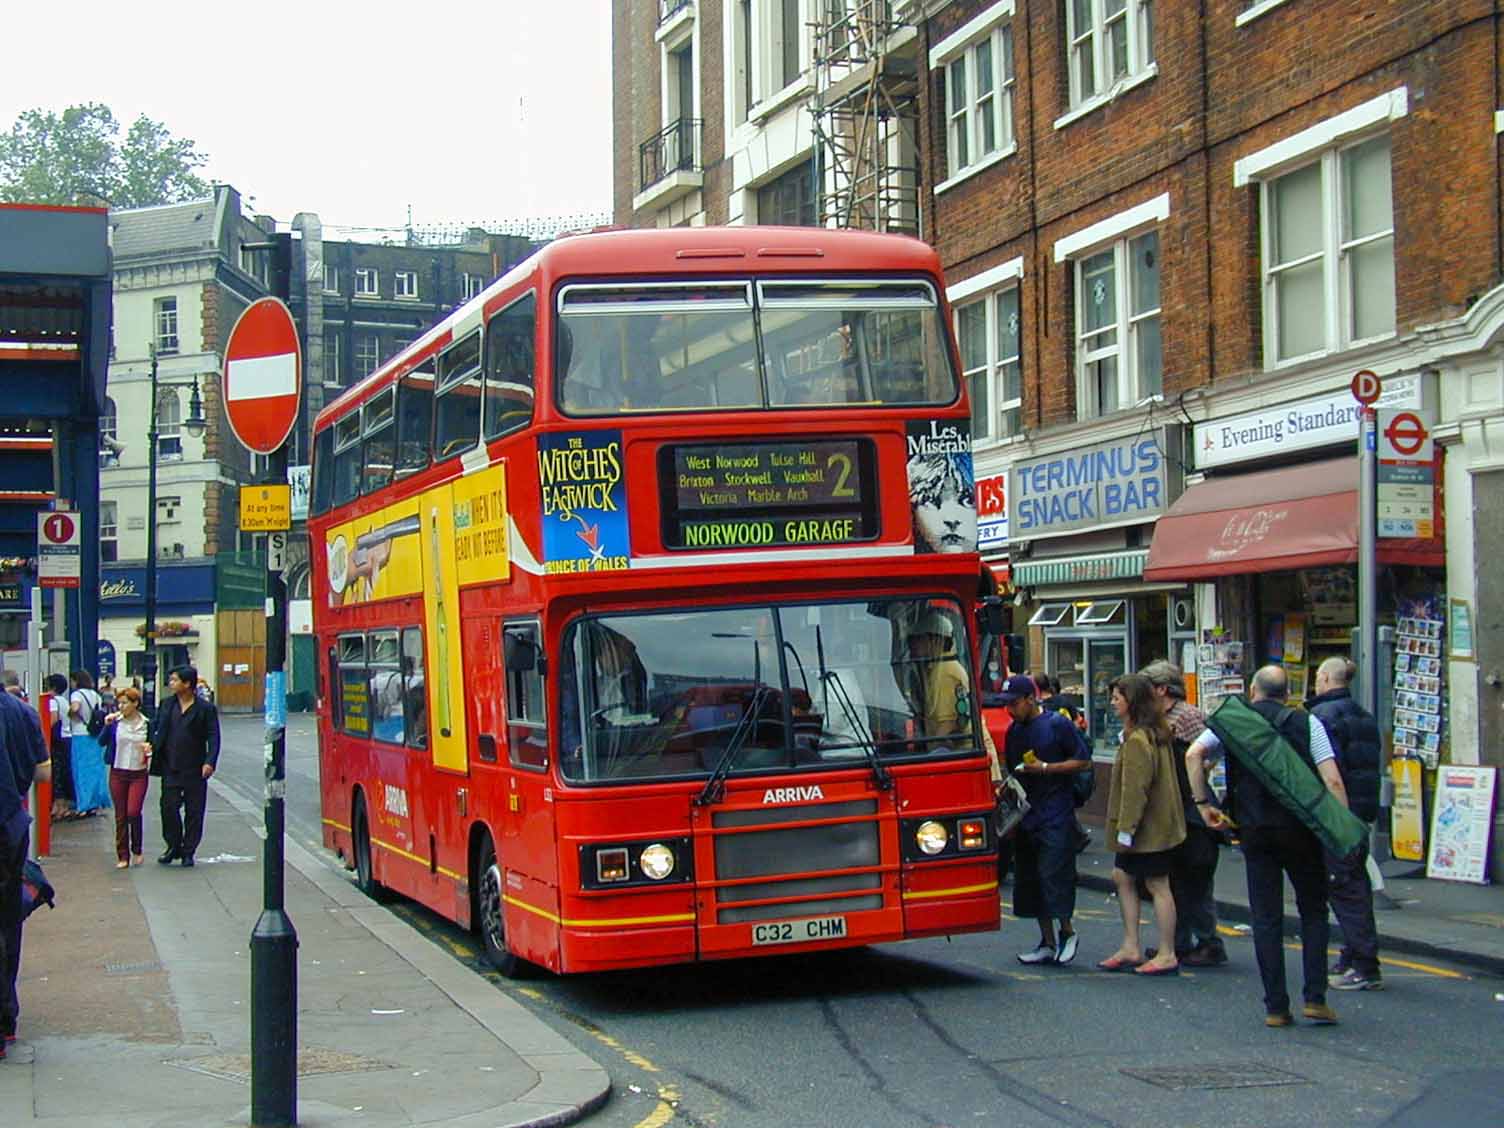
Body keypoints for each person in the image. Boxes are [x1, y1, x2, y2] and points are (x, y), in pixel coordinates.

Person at [1186, 665, 1349, 1027]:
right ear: (1287, 692)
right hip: (1302, 830)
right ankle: (1315, 998)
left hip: (1255, 829)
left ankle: (1276, 1006)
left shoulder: (1234, 722)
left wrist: (1204, 805)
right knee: (1313, 911)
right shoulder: (1309, 724)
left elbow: (1193, 755)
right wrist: (1343, 830)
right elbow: (1332, 780)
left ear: (1253, 690)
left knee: (1266, 915)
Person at [1141, 660, 1228, 967]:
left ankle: (1208, 941)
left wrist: (1200, 779)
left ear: (1162, 689)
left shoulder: (1188, 716)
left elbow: (1208, 751)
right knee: (1175, 876)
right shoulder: (1155, 717)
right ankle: (1177, 943)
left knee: (1195, 876)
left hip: (1192, 806)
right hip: (1170, 806)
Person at [999, 674, 1090, 965]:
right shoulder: (1014, 730)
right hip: (1027, 814)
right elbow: (1014, 768)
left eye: (1014, 703)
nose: (1010, 710)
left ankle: (1067, 932)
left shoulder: (1056, 724)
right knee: (1031, 878)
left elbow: (1083, 760)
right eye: (1006, 705)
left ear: (1030, 699)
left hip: (1055, 811)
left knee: (1055, 875)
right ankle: (1047, 941)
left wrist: (1047, 767)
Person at [1099, 674, 1186, 976]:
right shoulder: (1152, 733)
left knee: (1157, 884)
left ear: (1132, 702)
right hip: (1157, 826)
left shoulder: (1138, 740)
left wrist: (1126, 829)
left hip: (1147, 829)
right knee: (1122, 875)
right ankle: (1131, 946)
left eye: (1117, 698)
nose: (1112, 703)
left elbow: (1136, 789)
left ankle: (1166, 953)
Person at [1307, 656, 1384, 991]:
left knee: (1345, 887)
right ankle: (1353, 955)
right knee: (1356, 884)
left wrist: (1335, 817)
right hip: (1362, 811)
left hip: (1339, 814)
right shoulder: (1365, 716)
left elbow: (1331, 776)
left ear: (1324, 678)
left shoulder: (1321, 717)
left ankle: (1364, 965)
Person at [0, 669, 50, 1050]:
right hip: (10, 828)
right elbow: (44, 772)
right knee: (6, 924)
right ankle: (5, 1020)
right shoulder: (21, 712)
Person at [148, 665, 221, 867]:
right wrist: (150, 744)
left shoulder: (205, 709)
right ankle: (173, 845)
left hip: (195, 767)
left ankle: (188, 851)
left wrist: (210, 761)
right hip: (170, 765)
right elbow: (155, 727)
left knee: (194, 811)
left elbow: (214, 736)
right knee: (168, 808)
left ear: (187, 684)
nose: (170, 684)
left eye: (174, 680)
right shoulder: (166, 705)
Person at [102, 686, 152, 868]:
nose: (121, 707)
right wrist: (106, 726)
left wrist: (149, 749)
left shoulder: (146, 723)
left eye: (125, 703)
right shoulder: (116, 723)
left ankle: (137, 848)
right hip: (118, 771)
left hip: (138, 773)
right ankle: (122, 855)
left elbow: (154, 744)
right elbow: (101, 741)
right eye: (119, 703)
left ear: (135, 704)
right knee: (120, 815)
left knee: (133, 811)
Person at [904, 612, 971, 740]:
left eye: (917, 639)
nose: (911, 645)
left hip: (955, 751)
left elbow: (948, 724)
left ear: (934, 640)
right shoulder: (935, 668)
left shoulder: (945, 671)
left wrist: (931, 753)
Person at [67, 669, 109, 817]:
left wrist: (71, 713)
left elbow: (75, 707)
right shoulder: (95, 695)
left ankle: (83, 804)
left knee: (81, 770)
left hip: (80, 733)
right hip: (95, 734)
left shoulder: (76, 694)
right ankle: (96, 802)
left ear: (76, 680)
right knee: (96, 769)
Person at [44, 673, 75, 821]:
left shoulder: (52, 701)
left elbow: (53, 718)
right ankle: (62, 806)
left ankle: (59, 806)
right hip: (67, 738)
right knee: (63, 772)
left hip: (57, 740)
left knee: (56, 773)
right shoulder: (64, 700)